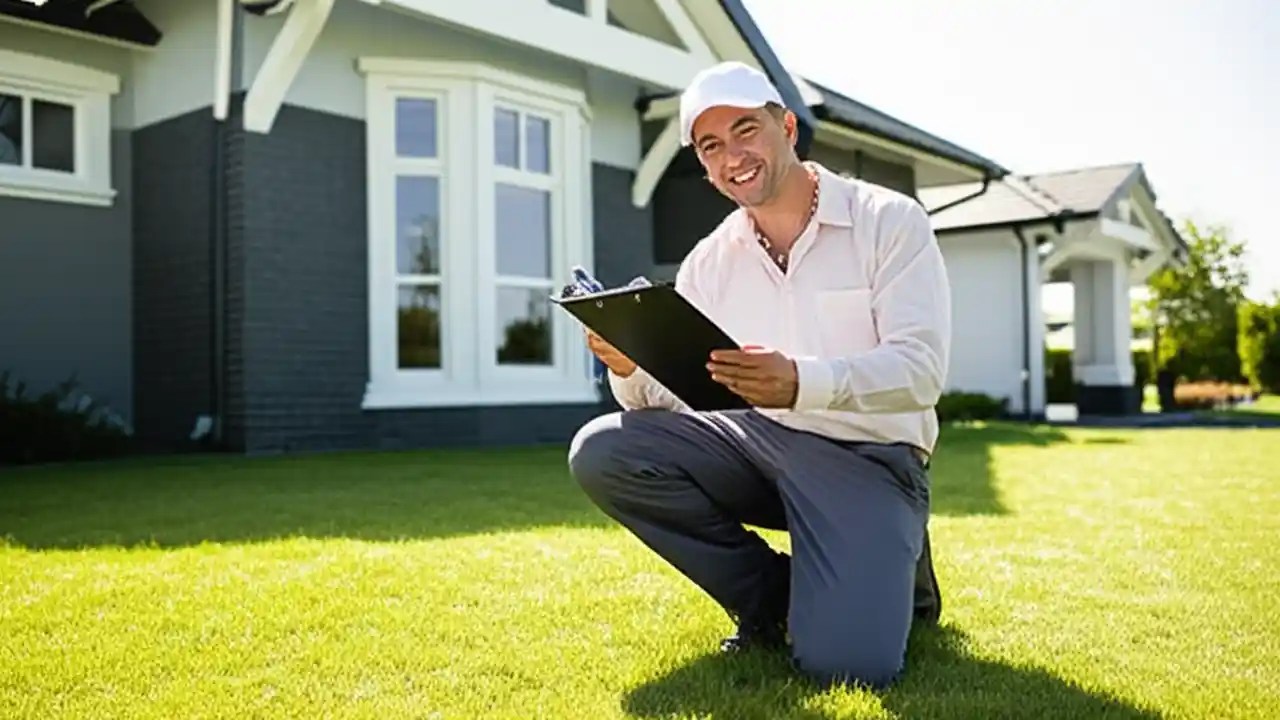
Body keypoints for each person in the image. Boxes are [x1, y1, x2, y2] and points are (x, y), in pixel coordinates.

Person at [567, 61, 950, 689]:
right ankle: (773, 600)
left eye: (745, 131)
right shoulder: (709, 262)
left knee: (847, 668)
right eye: (711, 146)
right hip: (756, 444)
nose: (731, 157)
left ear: (788, 127)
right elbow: (683, 391)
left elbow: (921, 371)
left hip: (869, 459)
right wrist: (633, 365)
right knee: (605, 449)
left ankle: (894, 564)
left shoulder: (890, 221)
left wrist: (801, 381)